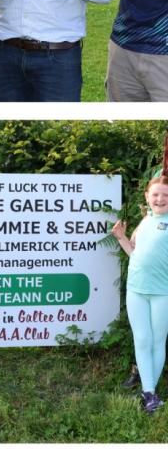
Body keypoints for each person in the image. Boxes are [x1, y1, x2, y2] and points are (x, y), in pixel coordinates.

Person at [112, 176, 168, 412]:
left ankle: (149, 393)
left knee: (157, 341)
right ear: (147, 197)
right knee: (142, 340)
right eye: (155, 194)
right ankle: (150, 394)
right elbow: (134, 254)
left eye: (165, 195)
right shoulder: (145, 221)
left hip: (162, 293)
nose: (160, 199)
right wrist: (121, 237)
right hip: (135, 290)